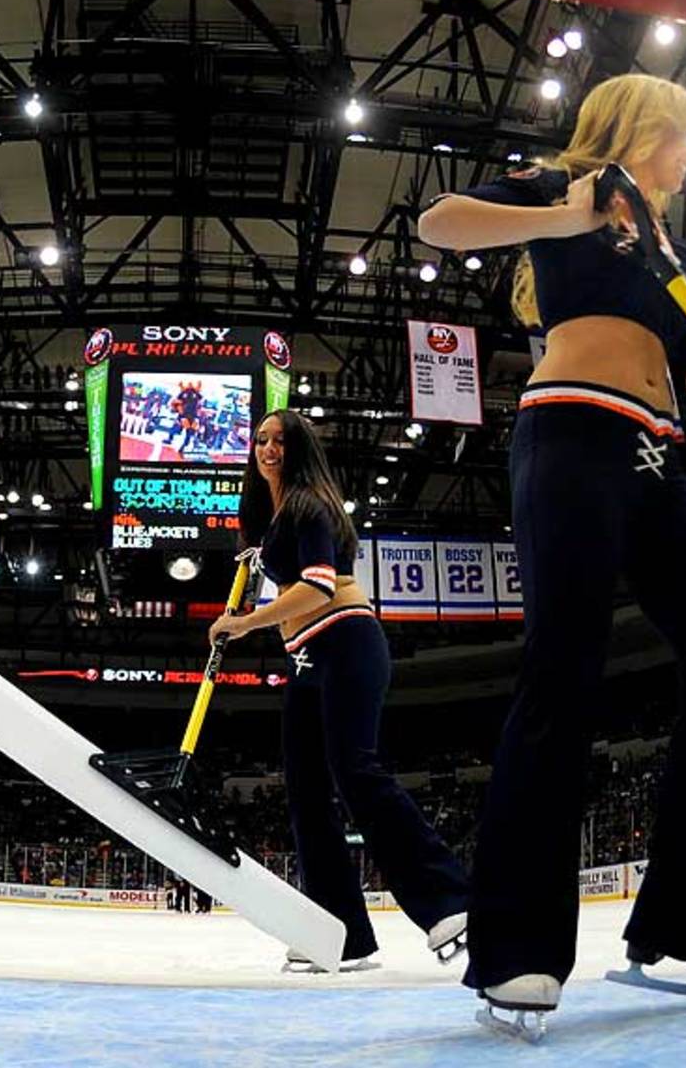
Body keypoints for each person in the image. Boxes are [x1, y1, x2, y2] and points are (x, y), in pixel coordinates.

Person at [418, 72, 686, 1018]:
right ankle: (517, 945)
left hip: (658, 451)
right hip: (570, 430)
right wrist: (568, 216)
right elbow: (438, 222)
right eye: (684, 140)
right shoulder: (564, 184)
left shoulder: (667, 242)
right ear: (646, 125)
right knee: (565, 667)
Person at [208, 409, 469, 968]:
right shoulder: (273, 515)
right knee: (305, 793)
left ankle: (450, 900)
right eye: (260, 440)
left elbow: (320, 585)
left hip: (344, 641)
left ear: (299, 450)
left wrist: (244, 623)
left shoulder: (310, 503)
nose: (268, 448)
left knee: (355, 771)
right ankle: (340, 935)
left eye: (281, 440)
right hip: (304, 659)